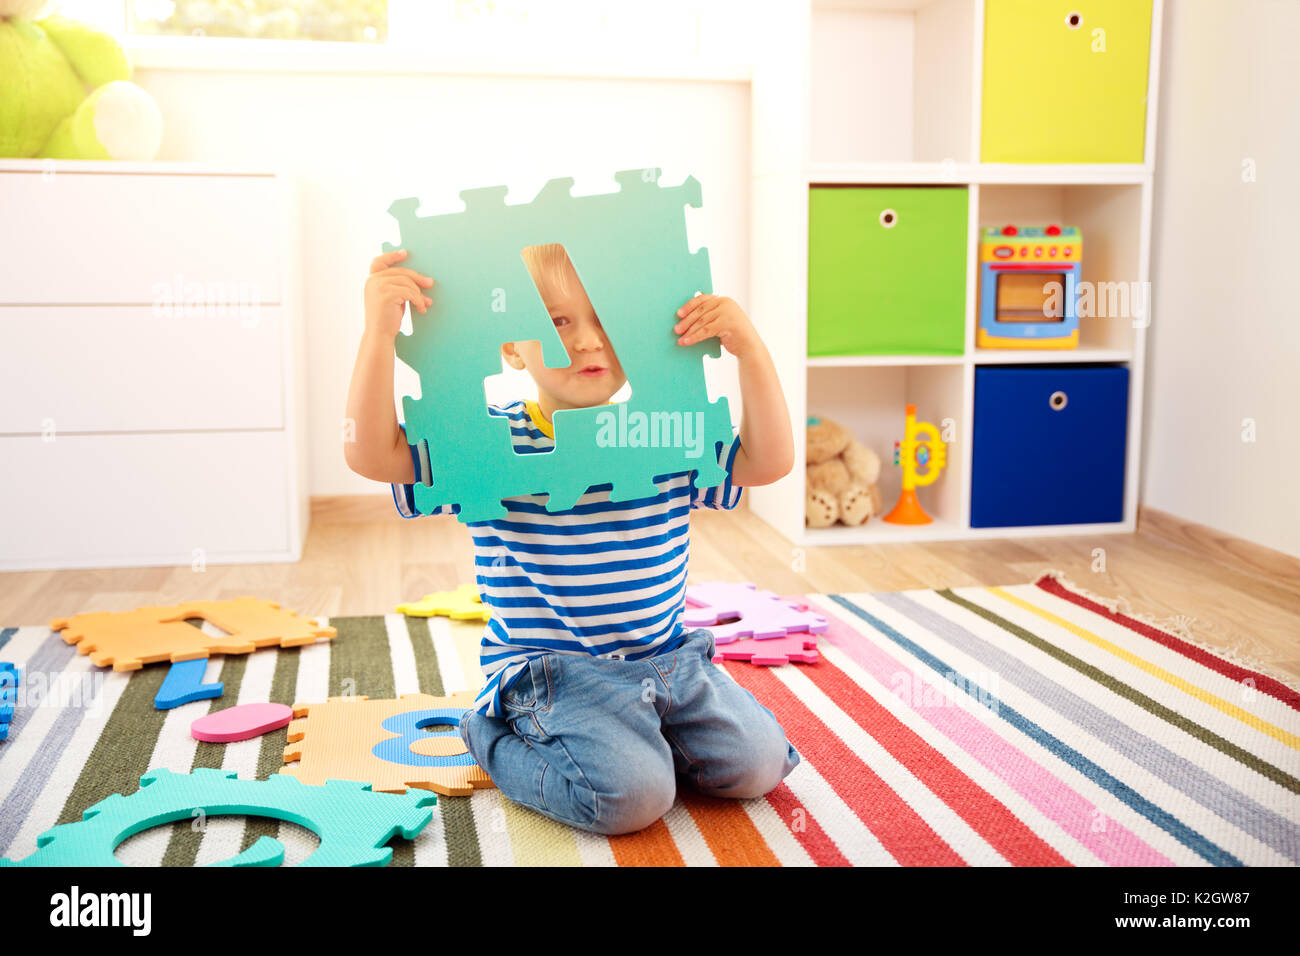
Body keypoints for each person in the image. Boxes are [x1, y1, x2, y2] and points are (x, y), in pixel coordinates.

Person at [345, 242, 799, 835]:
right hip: (553, 675)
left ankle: (645, 739)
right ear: (510, 344)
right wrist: (378, 333)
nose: (587, 340)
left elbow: (768, 462)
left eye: (606, 320)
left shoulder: (668, 431)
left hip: (668, 662)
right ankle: (488, 734)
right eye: (558, 321)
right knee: (634, 800)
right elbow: (371, 452)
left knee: (759, 767)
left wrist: (753, 353)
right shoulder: (491, 443)